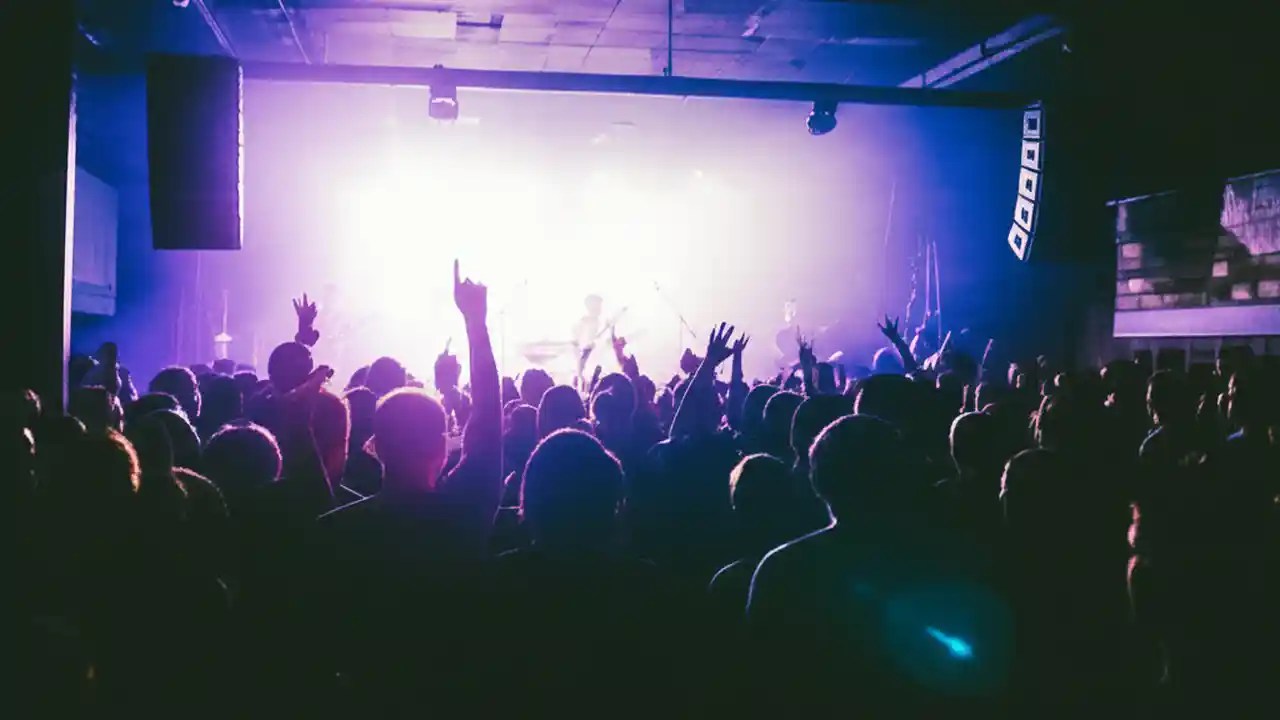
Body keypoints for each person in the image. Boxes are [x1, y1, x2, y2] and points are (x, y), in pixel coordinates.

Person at [316, 261, 501, 704]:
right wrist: (476, 324)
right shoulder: (464, 515)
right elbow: (488, 423)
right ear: (443, 448)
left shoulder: (335, 530)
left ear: (375, 447)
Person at [747, 415, 1010, 715]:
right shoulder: (951, 555)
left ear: (818, 482)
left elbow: (767, 684)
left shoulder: (783, 570)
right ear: (902, 475)